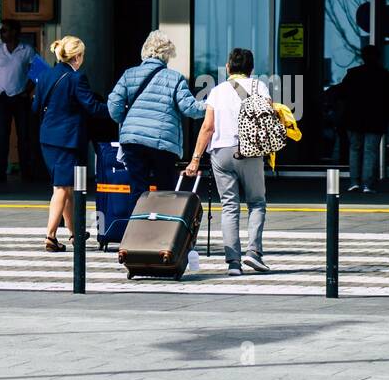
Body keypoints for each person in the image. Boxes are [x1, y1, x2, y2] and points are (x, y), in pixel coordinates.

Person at [185, 47, 269, 276]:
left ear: (229, 67)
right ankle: (254, 253)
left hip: (221, 153)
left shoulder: (217, 91)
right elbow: (267, 118)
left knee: (230, 206)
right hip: (249, 150)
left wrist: (194, 160)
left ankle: (234, 263)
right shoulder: (259, 86)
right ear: (251, 69)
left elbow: (208, 127)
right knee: (257, 202)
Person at [34, 36, 107, 253]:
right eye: (82, 55)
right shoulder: (77, 78)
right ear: (77, 56)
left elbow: (35, 106)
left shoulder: (45, 75)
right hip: (68, 140)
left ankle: (75, 232)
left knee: (67, 186)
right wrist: (115, 108)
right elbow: (92, 107)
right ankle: (50, 235)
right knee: (62, 188)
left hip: (47, 138)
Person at [108, 30, 205, 191]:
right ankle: (159, 215)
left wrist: (127, 122)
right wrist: (212, 104)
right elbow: (190, 108)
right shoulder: (175, 78)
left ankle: (139, 215)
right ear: (167, 54)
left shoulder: (129, 75)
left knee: (138, 189)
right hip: (162, 142)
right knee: (164, 189)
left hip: (133, 141)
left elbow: (113, 106)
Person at [339, 44, 389, 193]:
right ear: (378, 57)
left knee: (354, 149)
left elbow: (342, 93)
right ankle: (367, 184)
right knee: (370, 151)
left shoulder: (353, 74)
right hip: (376, 119)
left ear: (363, 57)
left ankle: (354, 181)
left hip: (353, 118)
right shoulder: (385, 76)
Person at [0, 19, 36, 184]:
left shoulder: (27, 50)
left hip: (20, 99)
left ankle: (26, 171)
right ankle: (1, 171)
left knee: (24, 136)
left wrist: (27, 92)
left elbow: (38, 72)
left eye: (4, 30)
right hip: (2, 98)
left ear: (14, 32)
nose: (1, 33)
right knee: (3, 136)